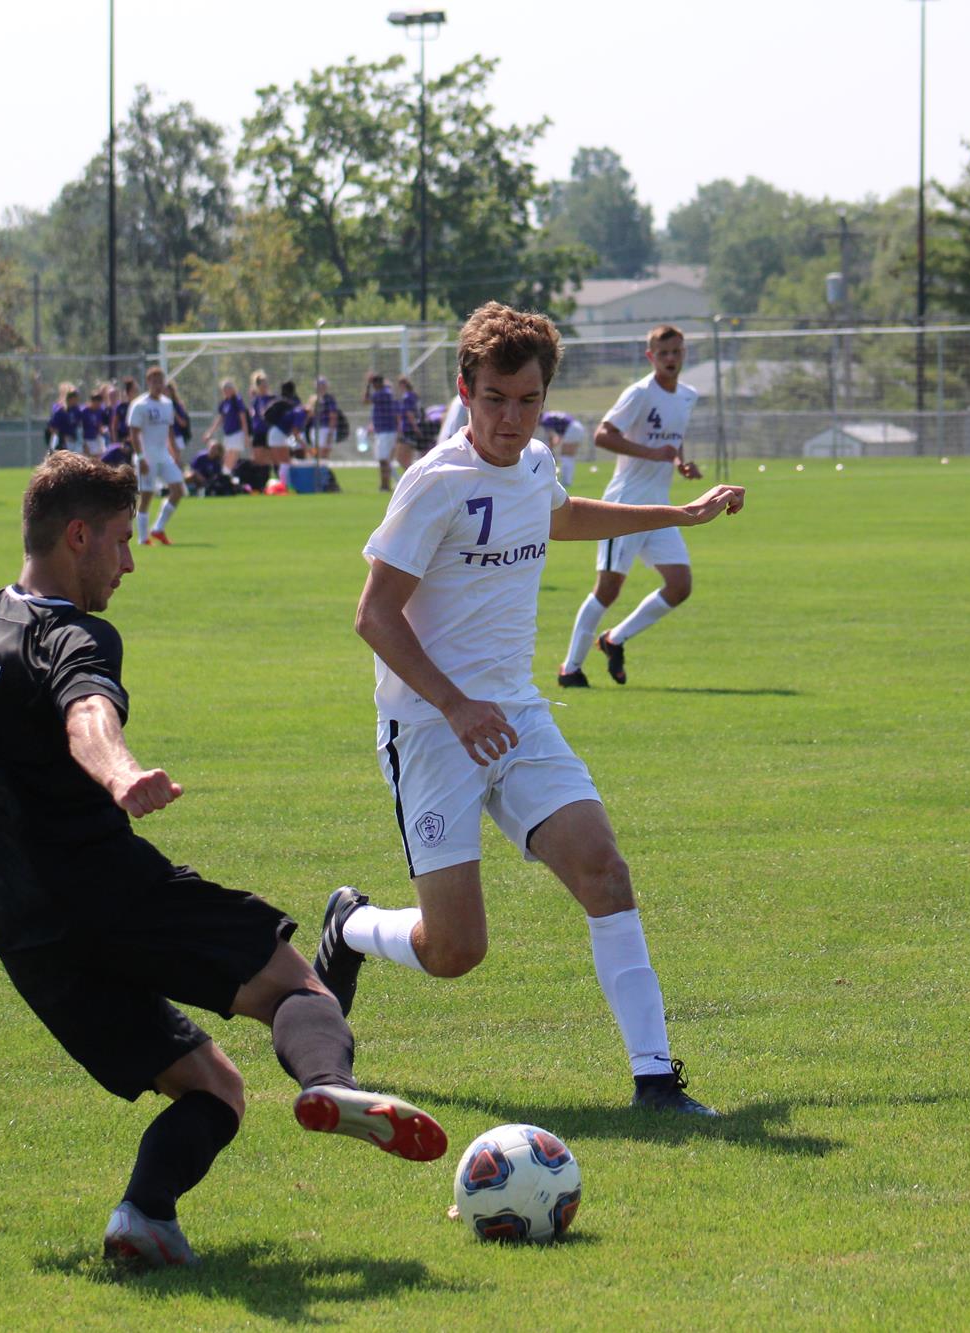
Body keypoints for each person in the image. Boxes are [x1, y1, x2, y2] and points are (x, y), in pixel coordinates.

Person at [0, 452, 446, 1270]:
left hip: (27, 935)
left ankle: (143, 1216)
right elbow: (87, 712)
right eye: (122, 541)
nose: (129, 562)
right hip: (112, 891)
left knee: (216, 1089)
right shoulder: (75, 632)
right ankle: (327, 1082)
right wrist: (120, 772)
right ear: (78, 534)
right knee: (297, 986)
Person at [318, 302, 746, 1116]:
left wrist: (675, 513)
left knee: (604, 869)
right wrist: (454, 705)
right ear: (465, 391)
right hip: (429, 729)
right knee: (455, 951)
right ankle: (353, 927)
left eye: (527, 400)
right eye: (494, 400)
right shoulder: (435, 484)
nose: (511, 419)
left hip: (517, 716)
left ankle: (656, 1079)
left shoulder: (537, 461)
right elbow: (373, 614)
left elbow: (561, 516)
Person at [557, 325, 706, 688]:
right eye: (664, 353)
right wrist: (652, 453)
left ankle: (614, 639)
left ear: (685, 353)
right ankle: (570, 668)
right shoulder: (639, 393)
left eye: (677, 351)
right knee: (608, 589)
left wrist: (679, 464)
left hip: (659, 507)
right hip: (623, 505)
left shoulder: (687, 395)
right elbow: (603, 435)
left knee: (679, 585)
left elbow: (673, 438)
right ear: (650, 357)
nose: (671, 358)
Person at [128, 366, 184, 547]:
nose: (158, 385)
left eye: (161, 381)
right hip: (147, 457)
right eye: (155, 381)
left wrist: (175, 453)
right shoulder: (140, 405)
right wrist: (141, 457)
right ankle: (143, 539)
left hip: (163, 455)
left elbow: (169, 430)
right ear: (148, 382)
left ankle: (158, 528)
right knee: (146, 497)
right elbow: (134, 433)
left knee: (178, 490)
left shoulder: (167, 404)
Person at [364, 371, 400, 492]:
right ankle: (387, 484)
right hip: (383, 431)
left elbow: (365, 400)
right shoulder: (386, 392)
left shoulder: (382, 393)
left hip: (386, 431)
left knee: (384, 459)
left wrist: (367, 385)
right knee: (384, 459)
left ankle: (387, 484)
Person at [205, 379, 250, 468]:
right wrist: (210, 432)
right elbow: (220, 418)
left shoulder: (237, 400)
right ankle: (226, 475)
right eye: (224, 389)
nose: (226, 390)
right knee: (227, 457)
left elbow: (243, 419)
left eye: (228, 388)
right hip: (228, 434)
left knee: (233, 456)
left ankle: (227, 476)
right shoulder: (224, 403)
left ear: (233, 389)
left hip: (236, 433)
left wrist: (246, 435)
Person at [540, 409, 586, 488]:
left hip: (572, 428)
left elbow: (551, 437)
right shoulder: (549, 416)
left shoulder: (545, 420)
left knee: (566, 456)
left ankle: (566, 481)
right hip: (576, 427)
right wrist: (552, 446)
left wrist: (549, 449)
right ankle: (567, 480)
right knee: (569, 457)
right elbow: (559, 437)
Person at [309, 376, 341, 463]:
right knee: (315, 453)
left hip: (326, 429)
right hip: (315, 429)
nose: (320, 387)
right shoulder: (313, 399)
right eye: (318, 385)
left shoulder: (329, 398)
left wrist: (330, 433)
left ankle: (322, 473)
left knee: (324, 455)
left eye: (322, 385)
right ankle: (315, 473)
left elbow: (333, 416)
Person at [396, 375, 423, 466]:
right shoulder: (412, 395)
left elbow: (409, 413)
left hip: (409, 430)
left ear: (403, 385)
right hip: (408, 430)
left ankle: (412, 478)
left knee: (402, 458)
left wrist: (415, 428)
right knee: (403, 458)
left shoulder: (407, 397)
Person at [47, 385, 83, 453]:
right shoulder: (61, 411)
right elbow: (53, 428)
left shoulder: (77, 410)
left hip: (74, 441)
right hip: (63, 443)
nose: (77, 399)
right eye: (75, 397)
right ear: (70, 398)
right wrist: (62, 438)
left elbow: (79, 425)